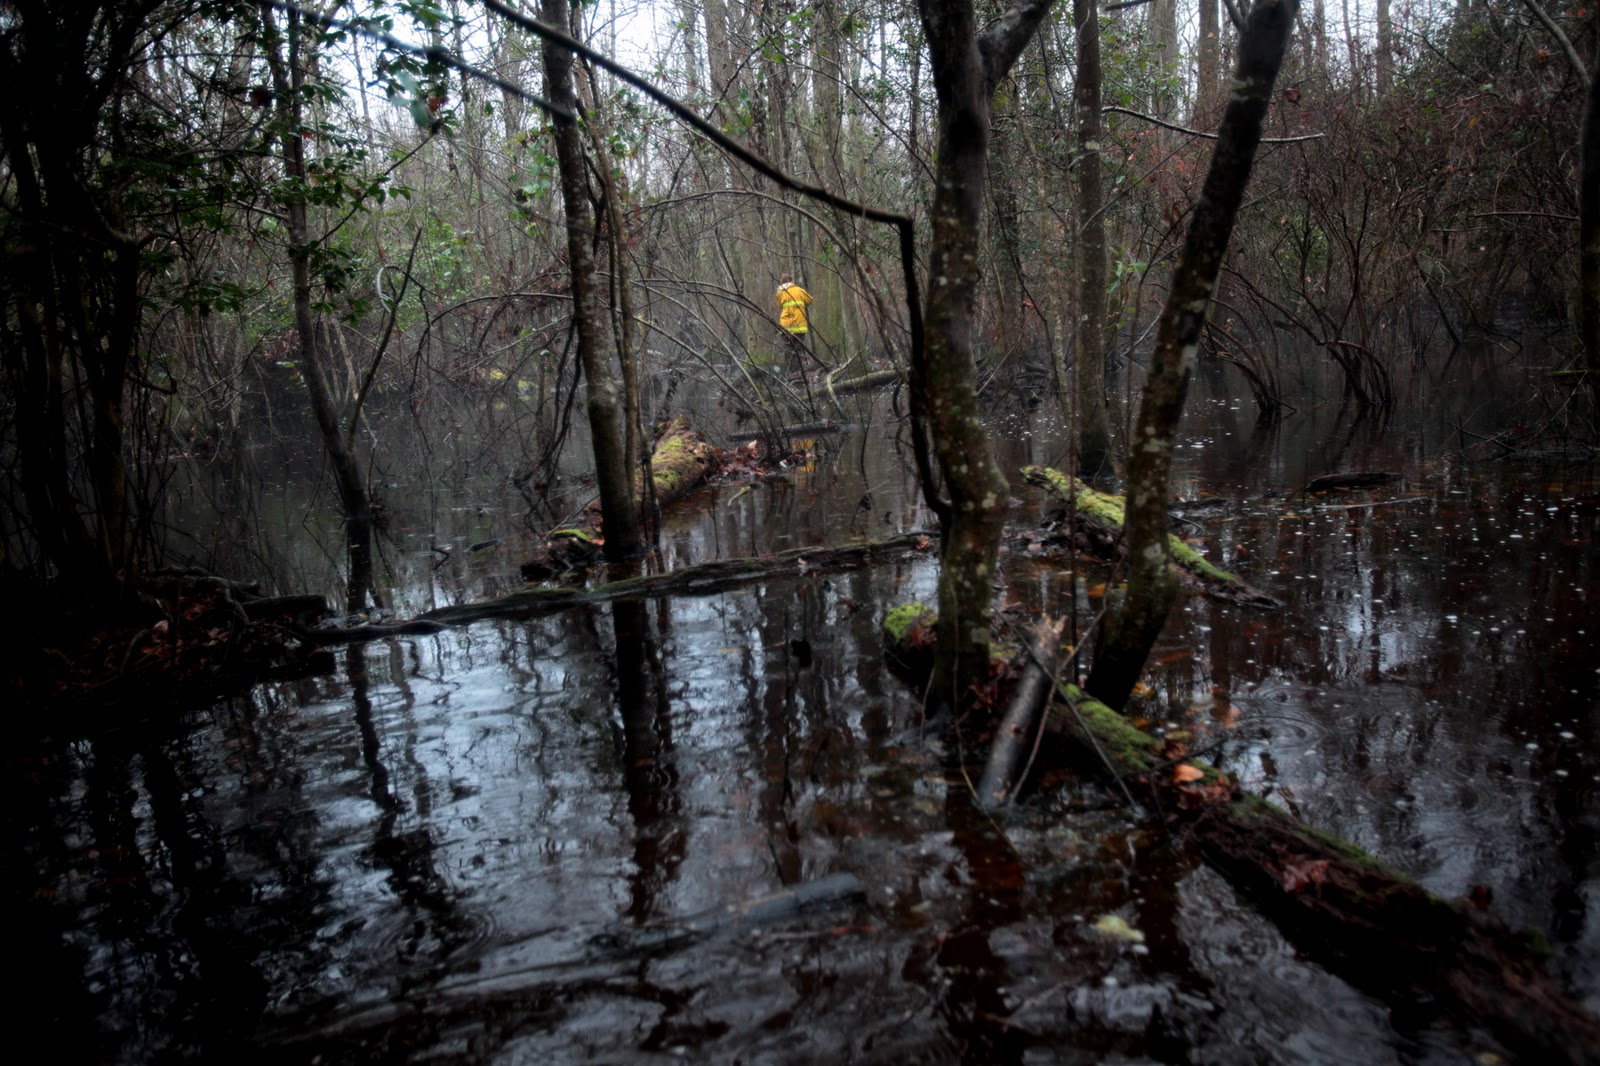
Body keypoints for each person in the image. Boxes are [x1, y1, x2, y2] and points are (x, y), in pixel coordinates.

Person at [775, 272, 816, 378]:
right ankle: (798, 371)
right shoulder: (799, 290)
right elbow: (810, 300)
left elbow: (779, 305)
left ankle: (790, 371)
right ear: (791, 280)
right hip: (799, 324)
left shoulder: (779, 293)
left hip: (785, 326)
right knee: (798, 348)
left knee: (788, 348)